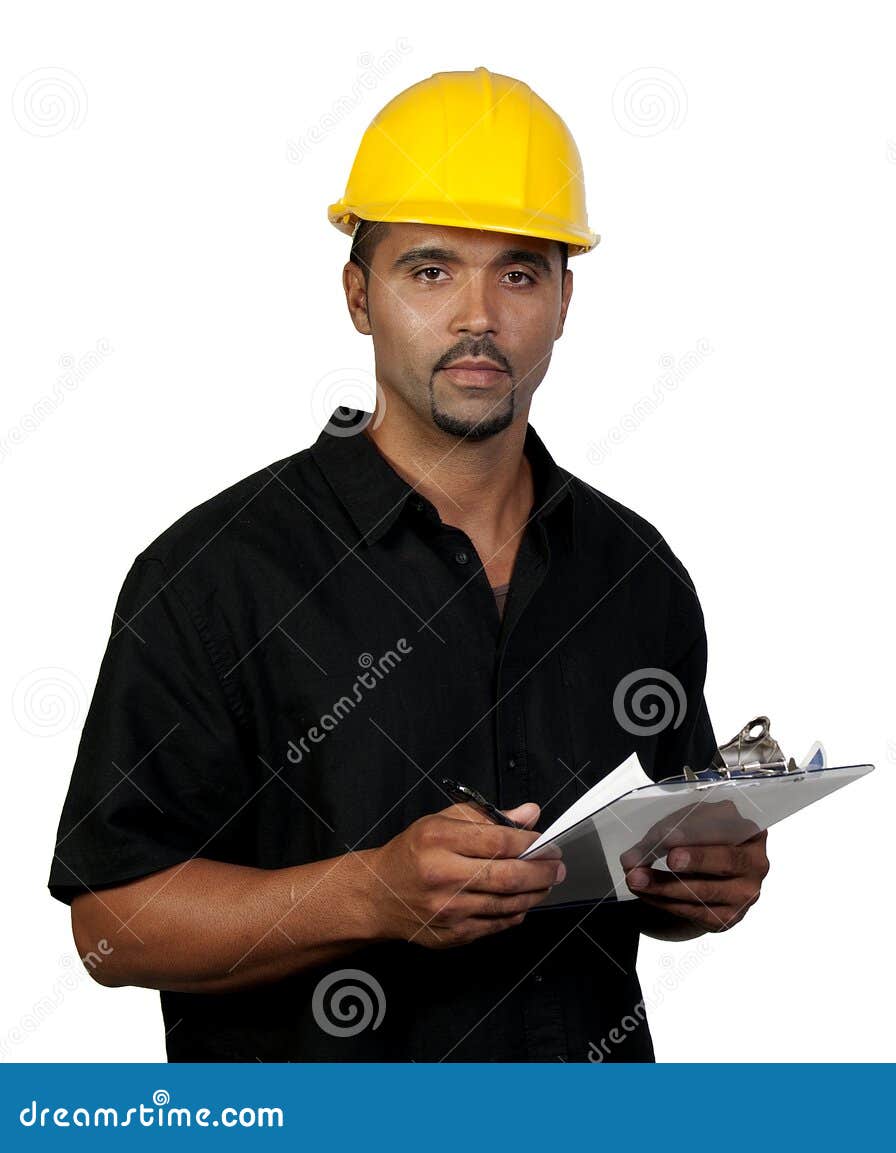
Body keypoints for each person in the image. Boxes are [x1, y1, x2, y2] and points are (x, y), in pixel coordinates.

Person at [48, 66, 768, 1062]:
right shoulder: (213, 575)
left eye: (518, 271)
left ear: (564, 298)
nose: (480, 314)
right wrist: (368, 894)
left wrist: (702, 887)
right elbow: (111, 927)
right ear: (358, 294)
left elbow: (656, 869)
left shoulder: (633, 572)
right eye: (430, 269)